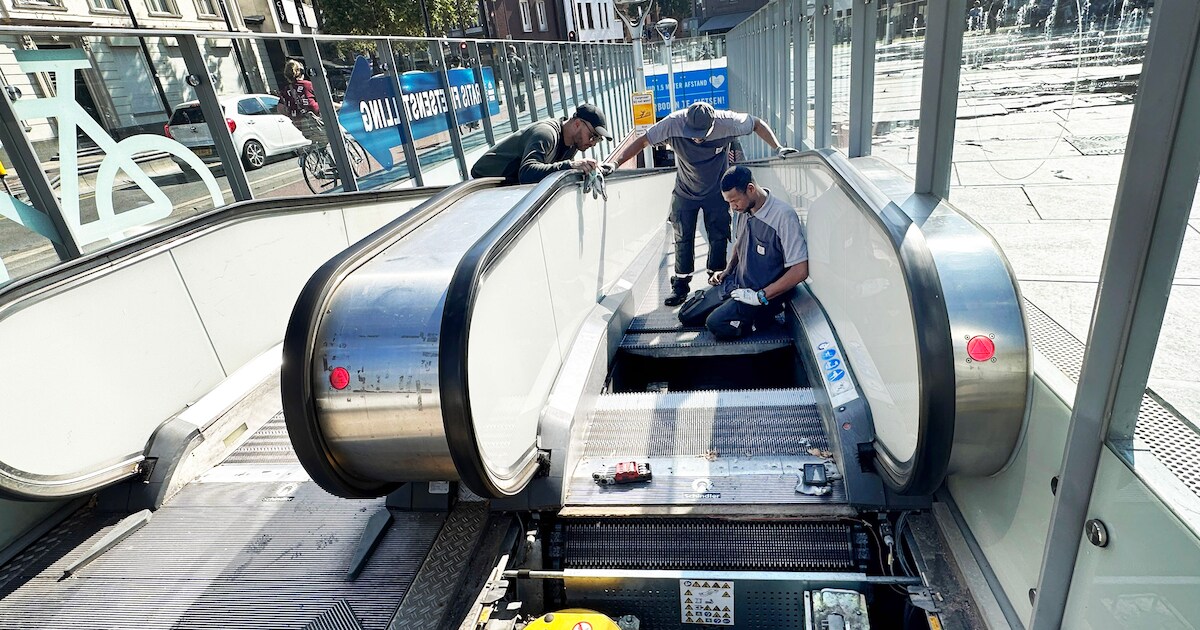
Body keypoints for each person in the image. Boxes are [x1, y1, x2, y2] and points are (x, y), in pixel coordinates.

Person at [600, 101, 798, 306]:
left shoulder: (728, 122)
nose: (696, 137)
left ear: (713, 125)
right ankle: (681, 286)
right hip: (685, 191)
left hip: (717, 192)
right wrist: (615, 163)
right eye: (692, 132)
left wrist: (779, 148)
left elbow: (756, 124)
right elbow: (642, 141)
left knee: (719, 236)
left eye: (702, 133)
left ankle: (717, 280)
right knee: (682, 237)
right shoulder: (672, 123)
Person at [678, 165, 809, 339]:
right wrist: (727, 270)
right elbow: (740, 243)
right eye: (728, 203)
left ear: (750, 189)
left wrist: (759, 296)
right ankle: (731, 309)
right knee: (687, 315)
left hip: (760, 294)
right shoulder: (744, 210)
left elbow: (800, 271)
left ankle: (759, 320)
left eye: (734, 201)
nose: (733, 207)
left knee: (716, 324)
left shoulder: (783, 216)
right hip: (736, 283)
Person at [470, 103, 610, 184]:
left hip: (506, 186)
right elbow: (527, 174)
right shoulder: (546, 134)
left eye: (598, 140)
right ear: (578, 124)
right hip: (483, 183)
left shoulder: (572, 145)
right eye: (592, 136)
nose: (593, 143)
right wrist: (570, 165)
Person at [277, 58, 324, 146]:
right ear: (301, 72)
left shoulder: (285, 91)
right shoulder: (308, 85)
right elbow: (325, 102)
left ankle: (320, 155)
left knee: (320, 143)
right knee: (334, 135)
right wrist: (340, 105)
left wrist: (293, 114)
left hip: (301, 126)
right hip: (317, 123)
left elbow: (280, 108)